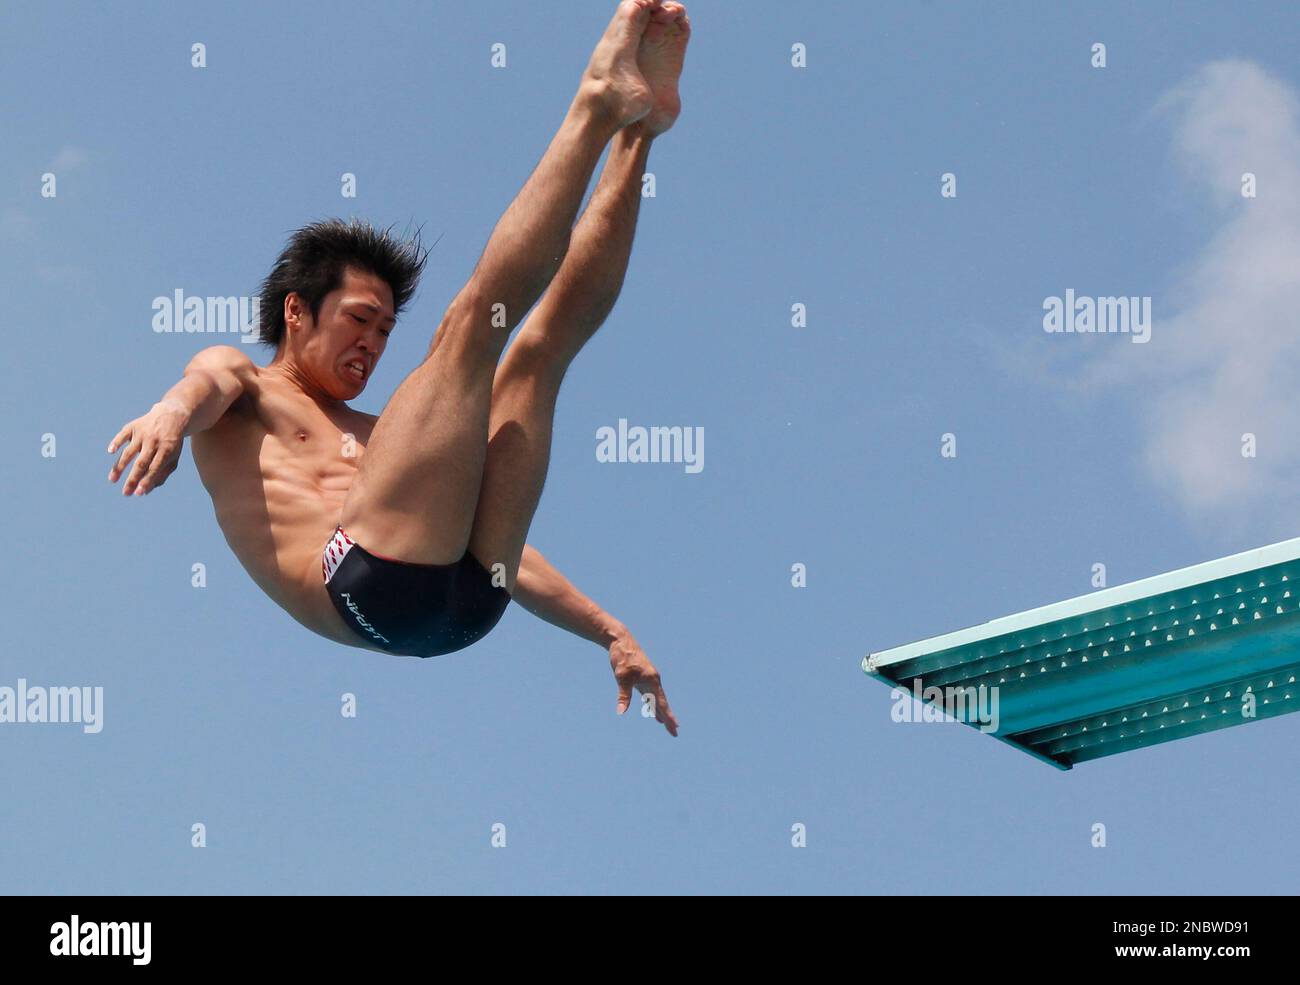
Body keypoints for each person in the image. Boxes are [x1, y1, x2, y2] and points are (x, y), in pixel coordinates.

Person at [106, 0, 689, 736]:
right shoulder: (248, 390)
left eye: (385, 330)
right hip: (365, 587)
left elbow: (508, 556)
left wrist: (610, 630)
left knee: (537, 357)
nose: (374, 345)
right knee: (470, 328)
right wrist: (166, 413)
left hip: (470, 604)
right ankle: (595, 104)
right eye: (358, 319)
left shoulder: (388, 443)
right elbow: (205, 384)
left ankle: (639, 135)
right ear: (296, 312)